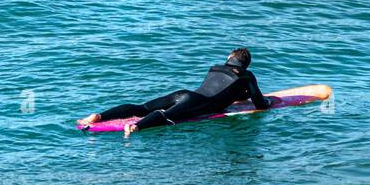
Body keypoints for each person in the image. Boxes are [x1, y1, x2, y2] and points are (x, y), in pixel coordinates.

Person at [77, 48, 271, 137]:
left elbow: (220, 88)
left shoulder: (215, 67)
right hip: (198, 104)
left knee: (142, 107)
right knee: (167, 116)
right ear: (245, 65)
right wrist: (269, 102)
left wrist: (239, 96)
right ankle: (136, 127)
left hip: (185, 94)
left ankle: (100, 115)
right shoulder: (246, 76)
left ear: (229, 58)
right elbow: (260, 104)